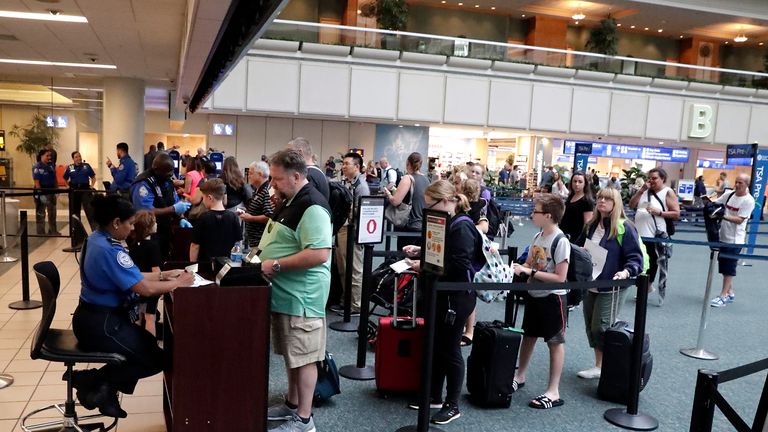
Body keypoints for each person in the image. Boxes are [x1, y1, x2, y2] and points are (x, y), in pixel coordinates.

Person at [71, 194, 193, 419]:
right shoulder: (110, 250)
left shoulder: (97, 239)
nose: (132, 228)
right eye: (129, 223)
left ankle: (101, 389)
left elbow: (132, 276)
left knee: (146, 345)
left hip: (92, 318)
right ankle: (95, 383)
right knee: (157, 359)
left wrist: (164, 275)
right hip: (102, 324)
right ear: (116, 223)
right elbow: (143, 289)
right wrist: (179, 283)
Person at [259, 150, 332, 432]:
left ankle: (304, 418)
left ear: (297, 176)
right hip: (286, 294)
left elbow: (319, 254)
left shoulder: (312, 205)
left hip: (303, 296)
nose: (273, 185)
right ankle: (291, 405)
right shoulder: (291, 199)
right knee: (293, 355)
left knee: (305, 358)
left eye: (277, 179)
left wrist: (275, 265)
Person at [402, 180, 483, 425]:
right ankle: (435, 395)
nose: (429, 210)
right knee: (435, 347)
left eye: (432, 205)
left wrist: (423, 264)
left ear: (447, 201)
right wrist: (420, 253)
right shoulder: (448, 222)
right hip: (442, 295)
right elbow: (442, 253)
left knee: (450, 349)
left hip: (455, 299)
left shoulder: (462, 227)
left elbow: (458, 265)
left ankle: (452, 403)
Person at [574, 188, 644, 380]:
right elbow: (578, 247)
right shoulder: (591, 225)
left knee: (601, 326)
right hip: (590, 283)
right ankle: (600, 365)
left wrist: (627, 271)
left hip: (613, 284)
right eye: (599, 198)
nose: (602, 201)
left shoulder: (624, 227)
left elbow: (635, 258)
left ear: (615, 203)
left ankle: (605, 366)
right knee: (591, 326)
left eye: (607, 198)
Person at [512, 194, 569, 410]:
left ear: (548, 215)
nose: (532, 214)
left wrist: (530, 270)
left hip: (553, 298)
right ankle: (520, 375)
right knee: (528, 335)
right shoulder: (538, 236)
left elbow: (560, 277)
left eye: (535, 211)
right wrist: (521, 268)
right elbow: (530, 262)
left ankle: (553, 391)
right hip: (535, 295)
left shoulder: (560, 241)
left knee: (555, 342)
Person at [628, 167, 680, 305]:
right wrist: (641, 190)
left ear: (663, 179)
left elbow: (676, 213)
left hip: (656, 234)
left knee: (652, 262)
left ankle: (646, 286)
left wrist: (660, 212)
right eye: (649, 178)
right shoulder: (645, 192)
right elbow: (632, 204)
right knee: (641, 260)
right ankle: (646, 286)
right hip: (639, 233)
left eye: (655, 178)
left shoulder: (667, 192)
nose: (651, 181)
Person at [330, 152, 370, 316]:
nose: (343, 166)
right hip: (343, 230)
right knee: (343, 268)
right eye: (343, 164)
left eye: (347, 164)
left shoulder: (361, 186)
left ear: (357, 167)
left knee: (353, 269)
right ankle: (346, 301)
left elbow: (361, 212)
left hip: (353, 232)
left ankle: (355, 305)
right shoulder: (350, 183)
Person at [131, 153, 192, 260]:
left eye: (172, 172)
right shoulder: (143, 183)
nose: (171, 175)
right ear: (156, 169)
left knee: (163, 258)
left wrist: (181, 217)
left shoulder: (167, 181)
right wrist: (173, 209)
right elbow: (145, 211)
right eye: (168, 173)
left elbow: (175, 202)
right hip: (146, 233)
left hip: (164, 229)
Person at [710, 173, 755, 307]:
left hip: (735, 240)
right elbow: (716, 202)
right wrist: (708, 201)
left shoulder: (748, 200)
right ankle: (730, 292)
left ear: (747, 184)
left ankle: (723, 296)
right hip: (722, 236)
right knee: (724, 268)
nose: (737, 185)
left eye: (741, 183)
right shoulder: (730, 194)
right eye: (736, 182)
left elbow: (739, 220)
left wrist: (722, 216)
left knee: (729, 269)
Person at [189, 179, 242, 265]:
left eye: (203, 197)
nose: (203, 200)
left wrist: (193, 265)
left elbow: (195, 245)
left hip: (206, 264)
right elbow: (238, 243)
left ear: (209, 197)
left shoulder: (203, 218)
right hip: (227, 264)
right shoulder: (233, 217)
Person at [382, 152, 429, 249]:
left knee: (404, 258)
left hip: (409, 225)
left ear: (408, 163)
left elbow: (396, 201)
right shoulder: (426, 179)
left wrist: (388, 194)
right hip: (423, 225)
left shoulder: (408, 178)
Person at [127, 210, 163, 336]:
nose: (157, 224)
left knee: (138, 317)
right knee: (150, 318)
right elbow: (156, 271)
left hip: (137, 285)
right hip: (150, 287)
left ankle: (136, 343)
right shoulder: (153, 246)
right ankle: (150, 346)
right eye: (155, 223)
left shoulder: (133, 245)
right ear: (149, 227)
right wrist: (162, 288)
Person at [241, 161, 274, 248]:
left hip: (261, 242)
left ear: (260, 174)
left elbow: (269, 216)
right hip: (255, 241)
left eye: (251, 173)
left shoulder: (266, 191)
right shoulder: (258, 190)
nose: (249, 176)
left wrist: (251, 218)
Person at [63, 151, 96, 230]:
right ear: (73, 159)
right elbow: (65, 178)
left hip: (85, 190)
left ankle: (95, 230)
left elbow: (93, 177)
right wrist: (67, 186)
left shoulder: (86, 166)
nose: (79, 158)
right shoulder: (70, 167)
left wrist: (92, 186)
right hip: (74, 190)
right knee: (75, 212)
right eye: (76, 157)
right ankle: (77, 231)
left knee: (90, 211)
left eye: (79, 156)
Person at [560, 171, 594, 241]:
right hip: (564, 233)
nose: (577, 184)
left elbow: (587, 224)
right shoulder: (571, 196)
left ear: (585, 184)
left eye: (580, 182)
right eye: (574, 181)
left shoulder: (587, 201)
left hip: (575, 237)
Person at [32, 148, 58, 235]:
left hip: (51, 191)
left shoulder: (51, 166)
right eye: (47, 155)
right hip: (41, 191)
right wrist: (40, 194)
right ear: (41, 156)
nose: (49, 157)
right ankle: (40, 232)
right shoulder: (37, 166)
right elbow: (36, 182)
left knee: (52, 212)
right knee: (41, 212)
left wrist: (56, 190)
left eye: (50, 155)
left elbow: (54, 178)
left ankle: (53, 231)